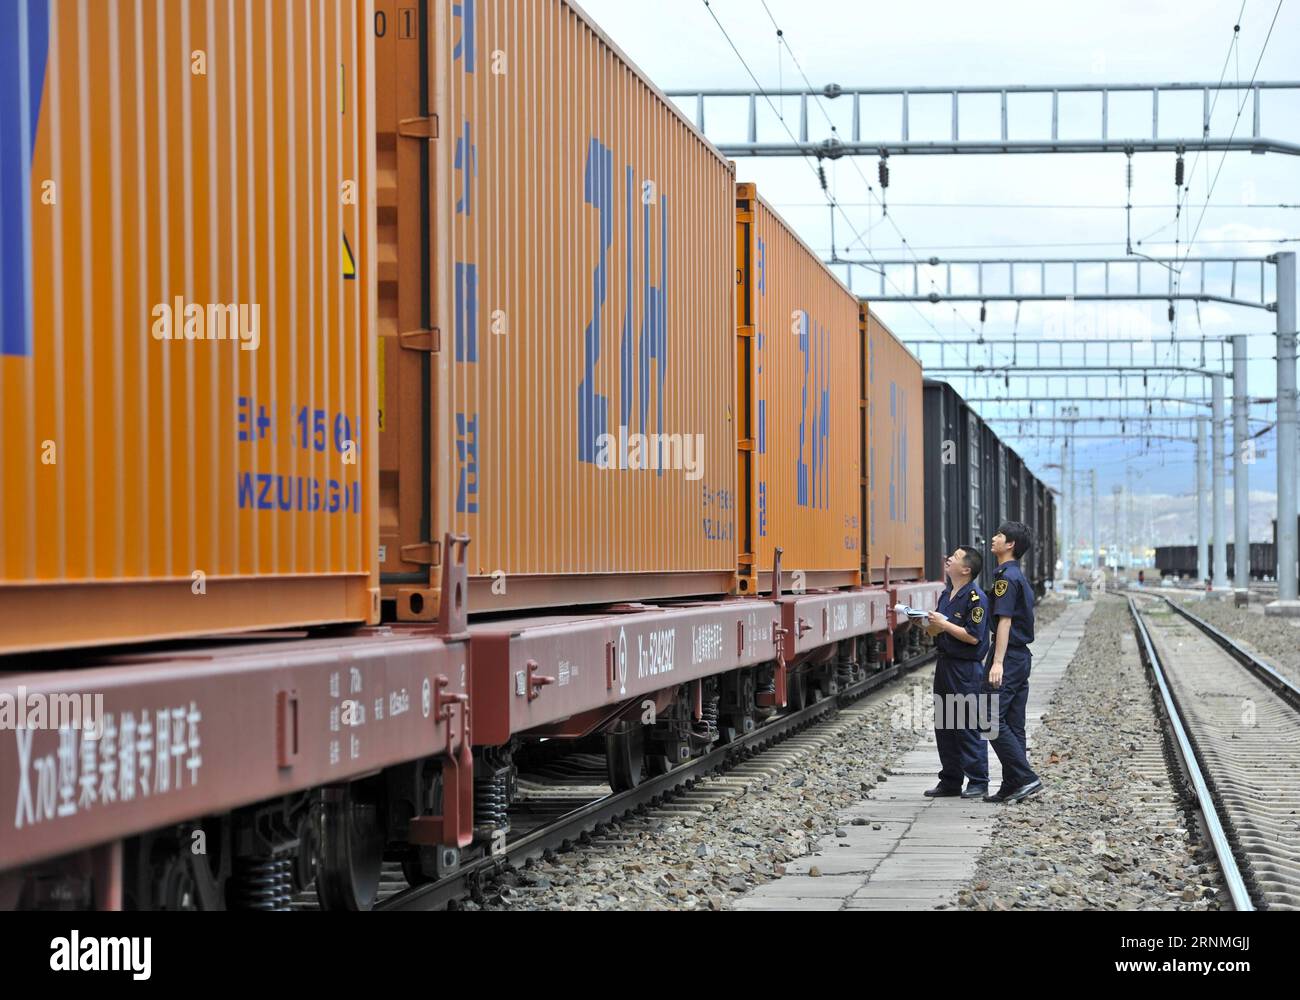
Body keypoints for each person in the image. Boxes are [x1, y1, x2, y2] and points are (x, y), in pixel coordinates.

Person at [922, 546, 991, 799]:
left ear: (966, 569)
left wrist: (944, 624)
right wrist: (929, 626)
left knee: (967, 725)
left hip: (966, 669)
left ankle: (978, 780)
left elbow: (974, 637)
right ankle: (950, 779)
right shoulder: (946, 594)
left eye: (955, 557)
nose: (948, 558)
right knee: (945, 725)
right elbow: (939, 630)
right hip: (945, 664)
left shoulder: (976, 598)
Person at [982, 522, 1043, 803]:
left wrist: (997, 663)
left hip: (1009, 656)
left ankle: (1026, 777)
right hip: (1021, 657)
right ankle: (1012, 784)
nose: (993, 538)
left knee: (988, 718)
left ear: (1010, 546)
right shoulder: (1015, 575)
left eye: (999, 535)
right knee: (1013, 722)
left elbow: (1004, 622)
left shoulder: (1007, 578)